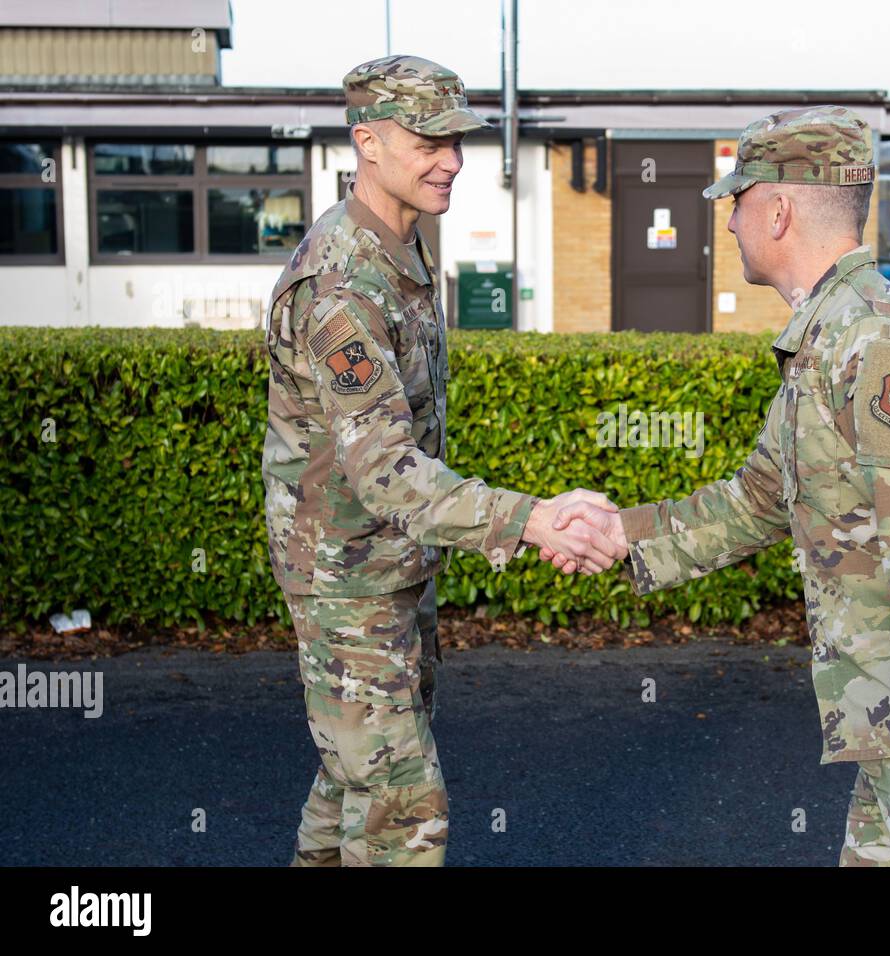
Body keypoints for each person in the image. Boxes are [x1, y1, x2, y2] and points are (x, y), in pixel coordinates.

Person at [545, 105, 890, 866]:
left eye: (738, 200)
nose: (729, 224)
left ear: (780, 208)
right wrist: (619, 534)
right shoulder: (830, 336)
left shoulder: (879, 339)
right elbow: (760, 496)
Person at [261, 54, 620, 867]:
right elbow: (386, 470)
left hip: (389, 565)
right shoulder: (342, 284)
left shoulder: (401, 251)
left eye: (456, 139)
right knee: (401, 808)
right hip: (347, 575)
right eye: (429, 140)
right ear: (368, 143)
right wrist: (532, 520)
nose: (451, 159)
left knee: (356, 774)